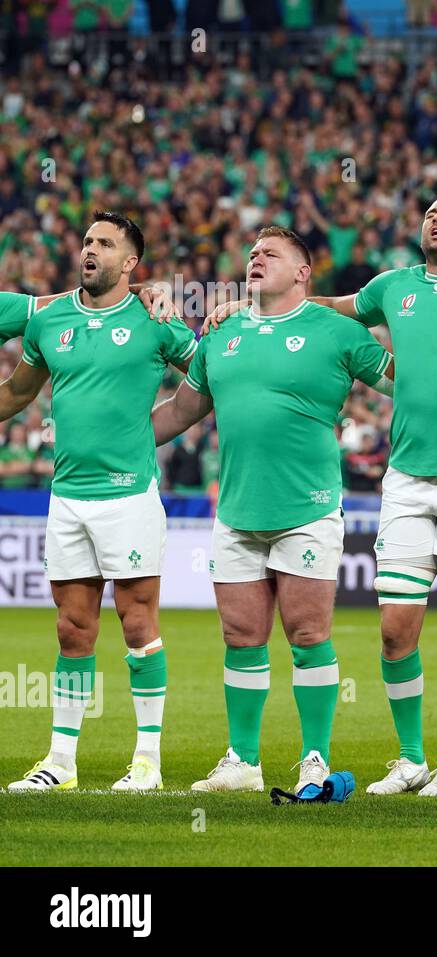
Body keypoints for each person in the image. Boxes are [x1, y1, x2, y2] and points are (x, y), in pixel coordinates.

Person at [204, 193, 437, 798]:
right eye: (430, 212)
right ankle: (412, 759)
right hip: (407, 475)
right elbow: (326, 308)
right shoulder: (392, 287)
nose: (435, 218)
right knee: (394, 630)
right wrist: (249, 302)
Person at [152, 227, 395, 796]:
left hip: (306, 508)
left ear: (303, 272)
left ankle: (314, 757)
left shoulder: (338, 332)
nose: (256, 259)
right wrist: (117, 441)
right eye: (253, 253)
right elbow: (185, 408)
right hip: (236, 509)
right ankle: (243, 760)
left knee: (308, 633)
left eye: (271, 254)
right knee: (241, 635)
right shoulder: (222, 330)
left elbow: (405, 384)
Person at [0, 211, 196, 792]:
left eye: (106, 244)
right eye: (87, 240)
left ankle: (147, 762)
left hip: (128, 497)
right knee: (72, 629)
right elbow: (16, 392)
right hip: (67, 499)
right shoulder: (49, 319)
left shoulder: (154, 319)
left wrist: (159, 425)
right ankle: (61, 762)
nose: (91, 249)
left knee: (138, 624)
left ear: (131, 262)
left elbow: (211, 373)